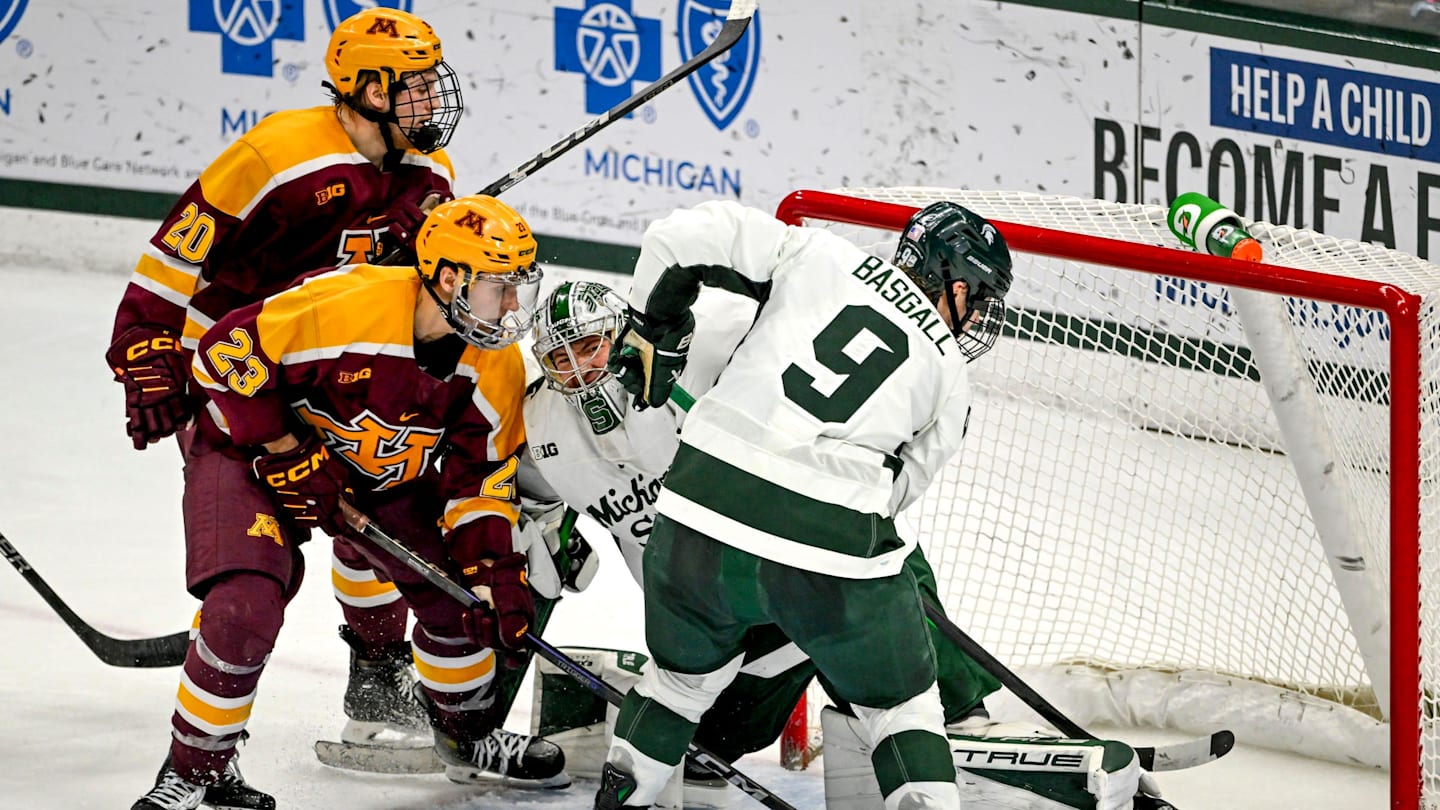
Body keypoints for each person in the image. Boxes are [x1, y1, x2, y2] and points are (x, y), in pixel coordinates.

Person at [103, 8, 512, 793]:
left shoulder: (431, 174)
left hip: (339, 384)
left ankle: (376, 671)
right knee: (252, 583)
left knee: (373, 517)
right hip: (243, 376)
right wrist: (147, 347)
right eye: (414, 84)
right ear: (363, 87)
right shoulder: (276, 154)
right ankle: (212, 725)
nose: (432, 99)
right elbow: (174, 254)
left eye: (433, 81)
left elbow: (405, 289)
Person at [128, 195, 569, 810]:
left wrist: (492, 571)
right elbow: (223, 357)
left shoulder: (495, 366)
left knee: (458, 601)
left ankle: (469, 739)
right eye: (501, 287)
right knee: (243, 607)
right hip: (248, 456)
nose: (515, 305)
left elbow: (479, 482)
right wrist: (286, 449)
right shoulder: (344, 305)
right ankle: (198, 770)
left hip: (371, 476)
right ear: (449, 279)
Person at [587, 199, 1013, 810]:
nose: (976, 317)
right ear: (957, 281)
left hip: (693, 512)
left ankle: (623, 793)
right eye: (980, 298)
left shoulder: (818, 251)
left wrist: (655, 327)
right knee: (902, 710)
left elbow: (676, 236)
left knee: (676, 687)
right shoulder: (951, 373)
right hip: (825, 546)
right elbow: (895, 496)